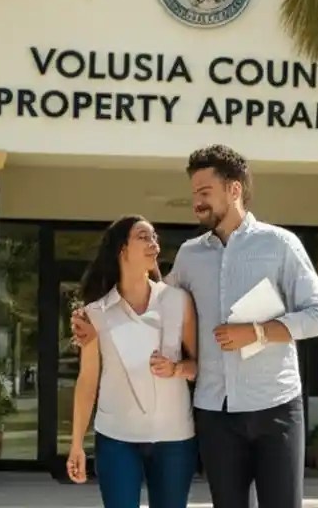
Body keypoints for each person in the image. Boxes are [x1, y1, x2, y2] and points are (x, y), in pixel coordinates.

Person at [73, 144, 318, 508]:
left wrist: (257, 331)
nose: (197, 202)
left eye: (205, 193)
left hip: (275, 406)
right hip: (215, 413)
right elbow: (150, 296)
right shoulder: (190, 255)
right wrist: (90, 321)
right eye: (194, 193)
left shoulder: (280, 245)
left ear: (234, 189)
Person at [67, 214, 199, 508]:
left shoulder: (178, 301)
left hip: (174, 437)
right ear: (121, 250)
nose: (153, 243)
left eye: (154, 238)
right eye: (143, 236)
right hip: (116, 438)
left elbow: (198, 367)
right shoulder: (95, 313)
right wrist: (76, 444)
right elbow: (88, 381)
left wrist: (175, 368)